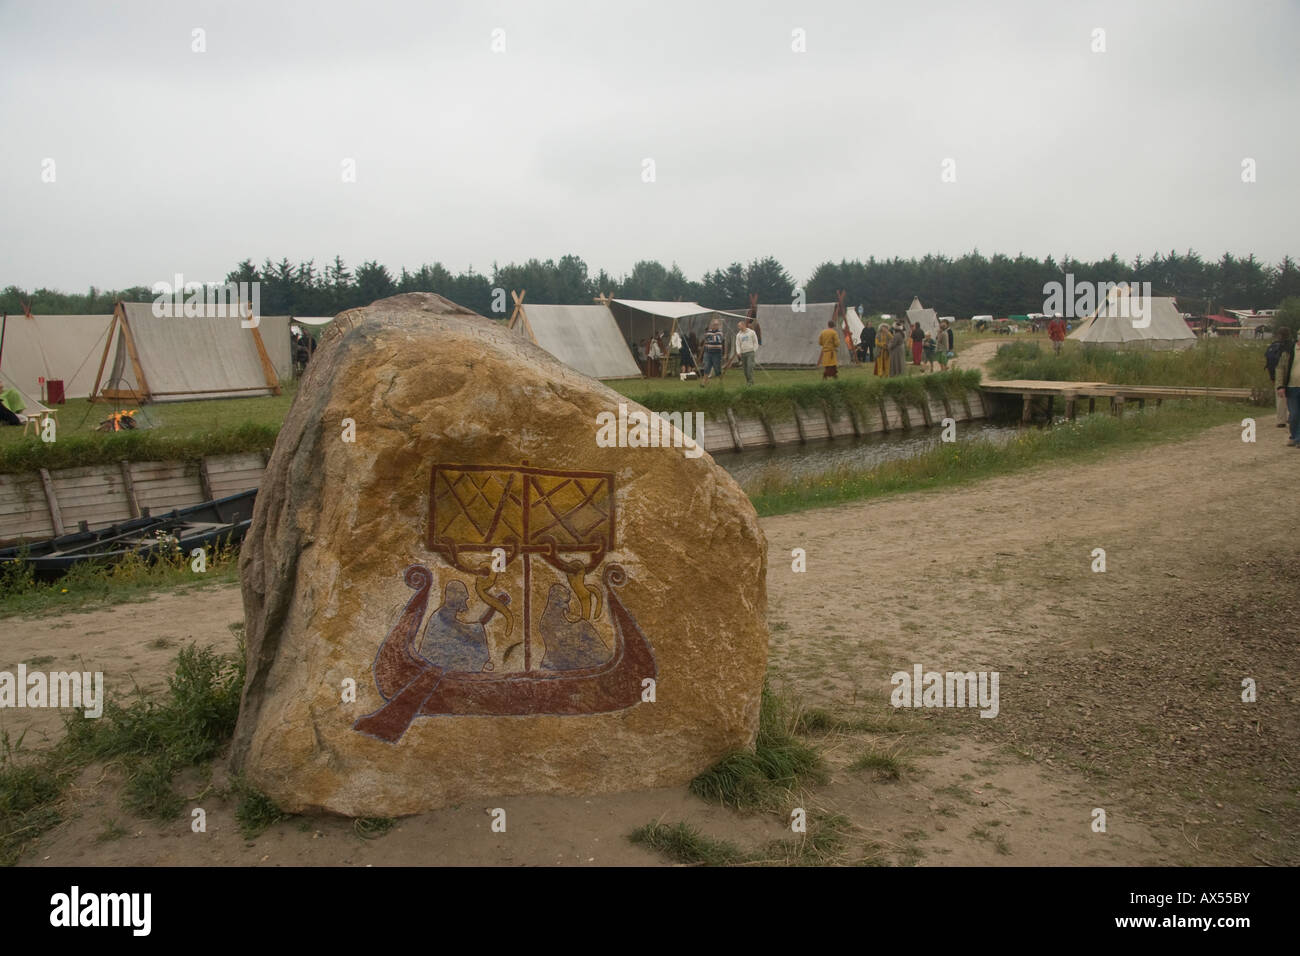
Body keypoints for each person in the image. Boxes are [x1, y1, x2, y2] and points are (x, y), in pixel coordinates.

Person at [418, 579, 490, 673]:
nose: (464, 599)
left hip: (441, 663)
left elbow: (471, 627)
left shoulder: (447, 614)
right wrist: (476, 634)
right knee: (475, 635)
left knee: (476, 630)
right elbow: (462, 630)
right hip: (436, 665)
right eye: (462, 596)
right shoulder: (443, 615)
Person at [538, 584, 611, 670]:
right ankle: (605, 658)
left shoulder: (550, 617)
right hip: (562, 659)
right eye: (565, 601)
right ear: (556, 599)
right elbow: (559, 638)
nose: (567, 604)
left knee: (583, 625)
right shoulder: (547, 621)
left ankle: (605, 657)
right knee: (583, 626)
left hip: (564, 656)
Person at [1275, 327, 1300, 447]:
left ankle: (1298, 439)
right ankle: (1294, 435)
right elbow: (1280, 369)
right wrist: (1280, 386)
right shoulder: (1289, 351)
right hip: (1292, 387)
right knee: (1294, 414)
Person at [1266, 328, 1288, 428]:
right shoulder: (1290, 346)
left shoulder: (1273, 346)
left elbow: (1269, 362)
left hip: (1276, 375)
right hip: (1289, 375)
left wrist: (1272, 376)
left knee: (1280, 398)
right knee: (1292, 398)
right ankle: (1292, 417)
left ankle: (1281, 420)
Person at [700, 318, 725, 386]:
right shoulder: (708, 332)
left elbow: (718, 340)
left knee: (717, 368)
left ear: (719, 325)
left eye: (717, 324)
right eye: (714, 324)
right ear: (711, 325)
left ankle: (720, 381)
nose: (715, 326)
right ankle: (704, 383)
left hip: (717, 353)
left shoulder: (720, 332)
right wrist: (712, 337)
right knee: (706, 367)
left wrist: (711, 337)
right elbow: (707, 338)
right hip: (708, 352)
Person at [736, 317, 759, 386]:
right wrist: (738, 352)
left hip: (750, 352)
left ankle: (750, 383)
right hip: (743, 354)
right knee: (745, 370)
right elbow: (737, 344)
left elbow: (755, 342)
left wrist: (754, 350)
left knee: (749, 368)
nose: (738, 327)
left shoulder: (751, 332)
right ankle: (748, 382)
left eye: (739, 326)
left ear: (743, 325)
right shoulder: (738, 335)